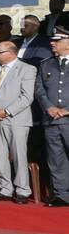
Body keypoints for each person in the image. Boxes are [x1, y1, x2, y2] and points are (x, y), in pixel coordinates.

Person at [0, 41, 37, 204]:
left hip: (16, 119)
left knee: (19, 154)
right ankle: (5, 188)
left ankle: (22, 190)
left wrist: (6, 111)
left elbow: (27, 97)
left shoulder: (27, 69)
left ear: (11, 52)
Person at [35, 27, 69, 207]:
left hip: (67, 118)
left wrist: (66, 110)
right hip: (51, 120)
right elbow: (39, 90)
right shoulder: (46, 64)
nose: (52, 44)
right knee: (56, 159)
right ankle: (62, 195)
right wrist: (49, 107)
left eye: (57, 41)